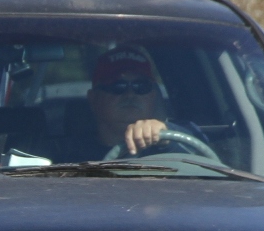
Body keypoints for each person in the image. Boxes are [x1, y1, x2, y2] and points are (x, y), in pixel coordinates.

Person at [83, 47, 220, 162]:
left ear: (153, 96)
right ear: (93, 98)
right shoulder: (72, 153)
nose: (130, 94)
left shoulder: (181, 137)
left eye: (141, 86)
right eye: (118, 86)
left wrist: (164, 136)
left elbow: (206, 157)